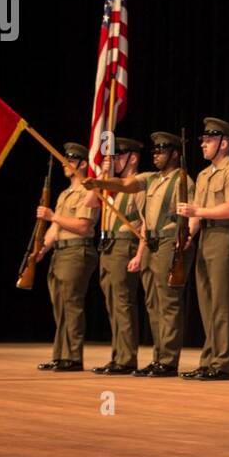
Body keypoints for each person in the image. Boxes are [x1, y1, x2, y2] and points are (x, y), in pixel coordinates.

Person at [85, 132, 188, 377]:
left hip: (167, 241)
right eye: (155, 150)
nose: (156, 154)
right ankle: (157, 358)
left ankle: (168, 360)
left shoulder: (183, 180)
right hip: (151, 243)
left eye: (161, 150)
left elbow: (185, 216)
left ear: (175, 153)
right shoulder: (150, 179)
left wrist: (183, 243)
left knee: (167, 302)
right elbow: (124, 185)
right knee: (153, 303)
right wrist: (101, 182)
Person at [175, 118, 229, 381]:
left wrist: (197, 212)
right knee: (207, 302)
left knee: (221, 302)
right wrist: (188, 234)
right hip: (206, 235)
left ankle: (221, 364)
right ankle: (208, 360)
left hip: (224, 236)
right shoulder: (204, 175)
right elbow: (197, 213)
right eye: (203, 140)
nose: (203, 144)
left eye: (209, 140)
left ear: (224, 143)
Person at [34, 143, 99, 372]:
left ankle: (73, 357)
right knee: (60, 305)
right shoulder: (64, 194)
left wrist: (53, 216)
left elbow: (83, 225)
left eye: (70, 160)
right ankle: (60, 354)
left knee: (72, 304)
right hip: (60, 252)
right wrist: (42, 248)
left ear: (82, 164)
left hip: (77, 250)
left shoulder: (87, 192)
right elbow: (54, 229)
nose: (65, 164)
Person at [92, 137, 146, 375]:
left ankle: (126, 359)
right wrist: (103, 176)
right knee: (113, 303)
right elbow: (89, 200)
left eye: (119, 157)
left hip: (126, 246)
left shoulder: (137, 185)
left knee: (123, 304)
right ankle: (118, 355)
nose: (114, 161)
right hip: (109, 246)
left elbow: (147, 222)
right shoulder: (111, 186)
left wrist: (141, 253)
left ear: (132, 158)